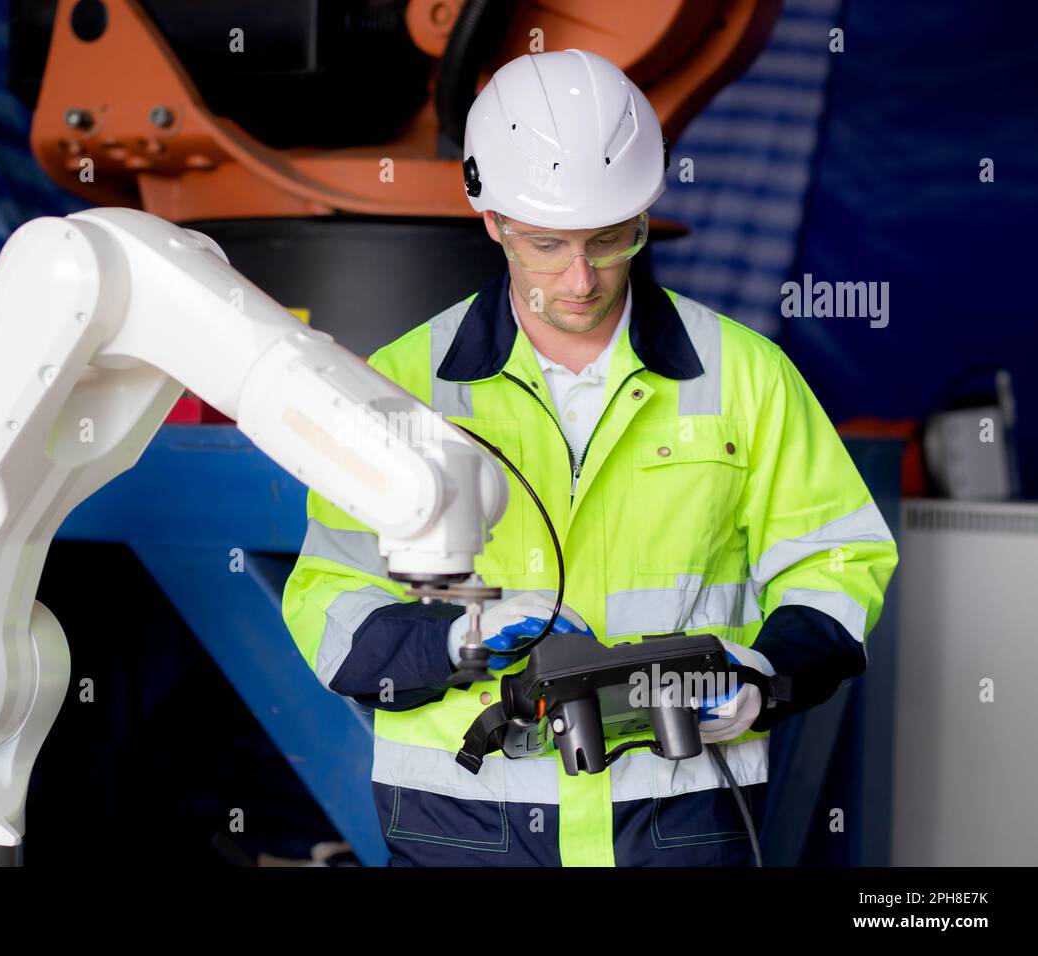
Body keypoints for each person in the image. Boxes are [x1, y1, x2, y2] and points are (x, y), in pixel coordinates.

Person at [281, 48, 898, 866]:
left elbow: (838, 560)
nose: (580, 278)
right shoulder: (400, 386)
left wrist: (763, 675)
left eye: (610, 241)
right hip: (466, 825)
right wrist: (462, 639)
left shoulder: (747, 376)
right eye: (546, 244)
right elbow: (332, 607)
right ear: (492, 219)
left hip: (675, 820)